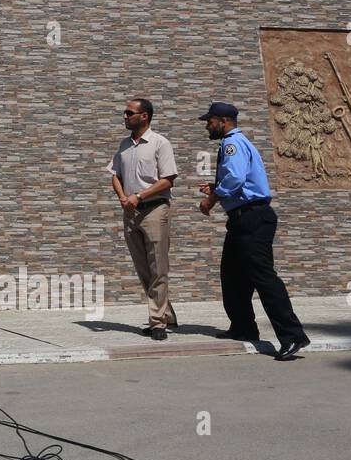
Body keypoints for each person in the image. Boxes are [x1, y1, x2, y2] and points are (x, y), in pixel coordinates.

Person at [197, 102, 310, 360]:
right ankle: (243, 327)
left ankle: (293, 336)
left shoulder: (231, 144)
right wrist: (216, 186)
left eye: (210, 120)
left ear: (223, 121)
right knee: (232, 275)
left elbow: (235, 179)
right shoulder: (236, 143)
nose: (207, 125)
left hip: (252, 218)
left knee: (263, 278)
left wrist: (212, 198)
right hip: (241, 219)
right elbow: (238, 178)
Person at [106, 98, 179, 340]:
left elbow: (168, 179)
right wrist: (123, 198)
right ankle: (166, 312)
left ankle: (157, 322)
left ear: (144, 116)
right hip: (131, 212)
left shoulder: (160, 143)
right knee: (143, 268)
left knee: (158, 267)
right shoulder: (124, 145)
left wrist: (138, 195)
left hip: (155, 210)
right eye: (125, 113)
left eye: (129, 113)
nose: (125, 117)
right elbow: (115, 174)